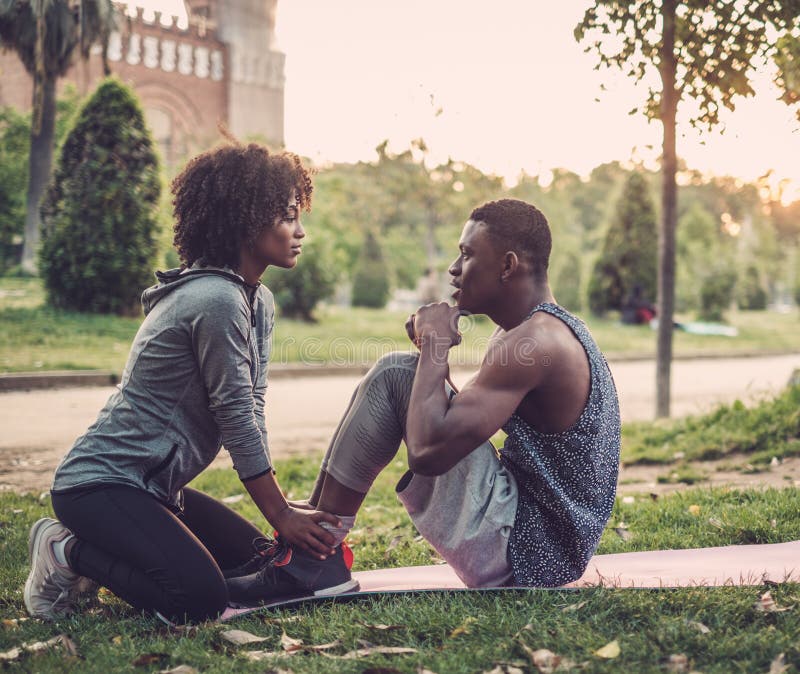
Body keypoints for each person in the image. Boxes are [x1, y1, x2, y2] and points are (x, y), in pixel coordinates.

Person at [23, 139, 356, 625]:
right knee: (198, 598)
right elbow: (235, 416)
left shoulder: (256, 301)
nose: (300, 231)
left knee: (262, 562)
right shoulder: (213, 300)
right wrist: (280, 515)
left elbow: (252, 405)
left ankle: (126, 543)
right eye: (288, 217)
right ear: (246, 222)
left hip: (156, 489)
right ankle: (65, 550)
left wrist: (281, 508)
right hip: (98, 485)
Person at [226, 198, 621, 604]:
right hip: (540, 545)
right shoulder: (535, 331)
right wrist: (431, 354)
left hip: (530, 553)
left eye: (466, 255)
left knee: (397, 374)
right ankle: (308, 551)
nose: (453, 268)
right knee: (403, 374)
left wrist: (434, 347)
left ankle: (312, 561)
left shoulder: (533, 342)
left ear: (507, 266)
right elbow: (454, 420)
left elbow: (430, 452)